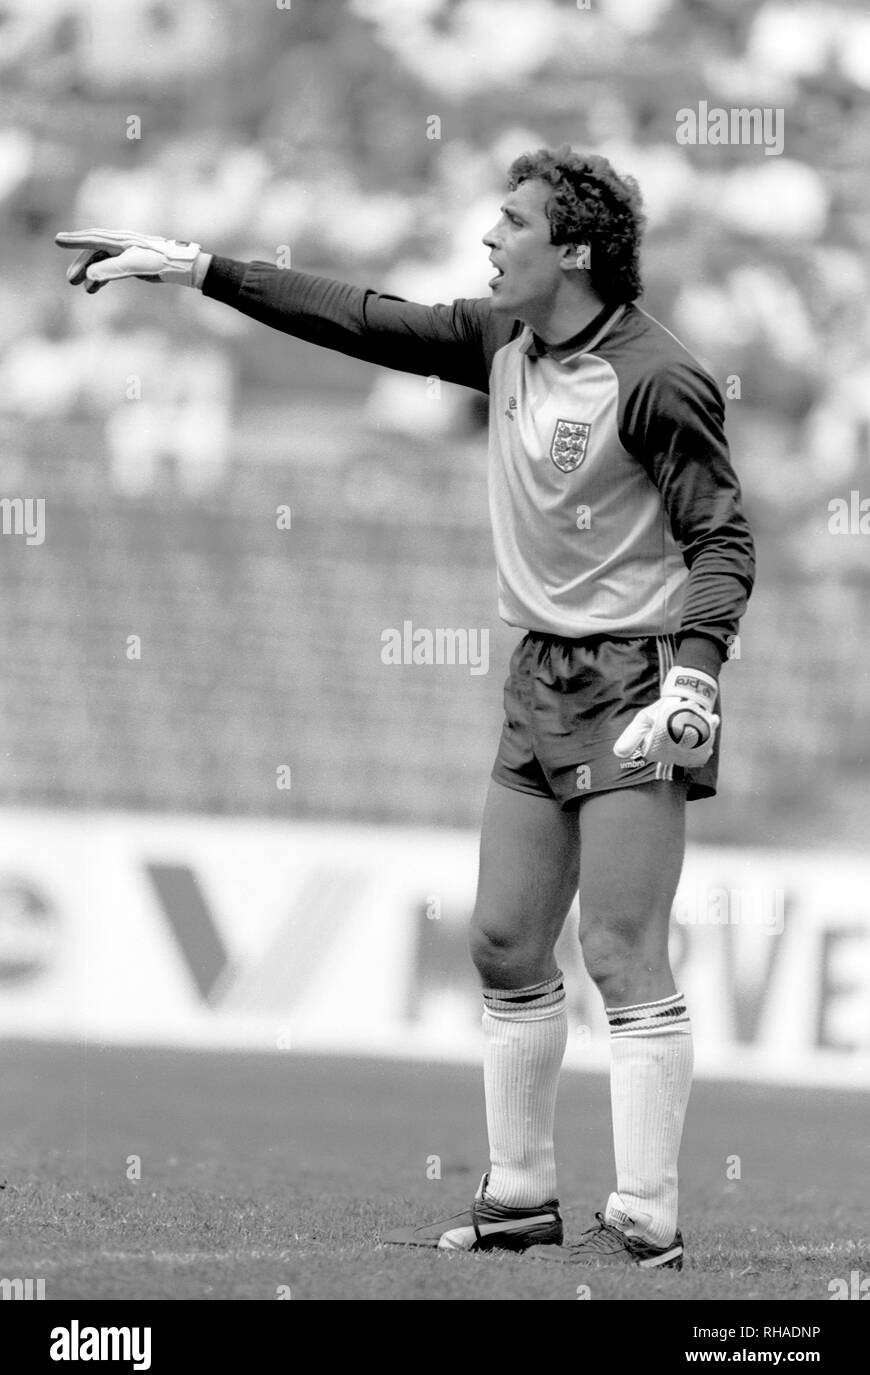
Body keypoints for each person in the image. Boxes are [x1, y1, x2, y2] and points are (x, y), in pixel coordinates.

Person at [56, 146, 755, 1269]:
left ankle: (647, 1217)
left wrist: (696, 672)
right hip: (540, 679)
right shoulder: (503, 342)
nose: (489, 238)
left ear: (572, 251)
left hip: (636, 677)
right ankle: (521, 1196)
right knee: (502, 941)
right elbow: (365, 320)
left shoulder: (656, 376)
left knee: (621, 949)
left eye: (511, 222)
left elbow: (722, 537)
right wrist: (196, 270)